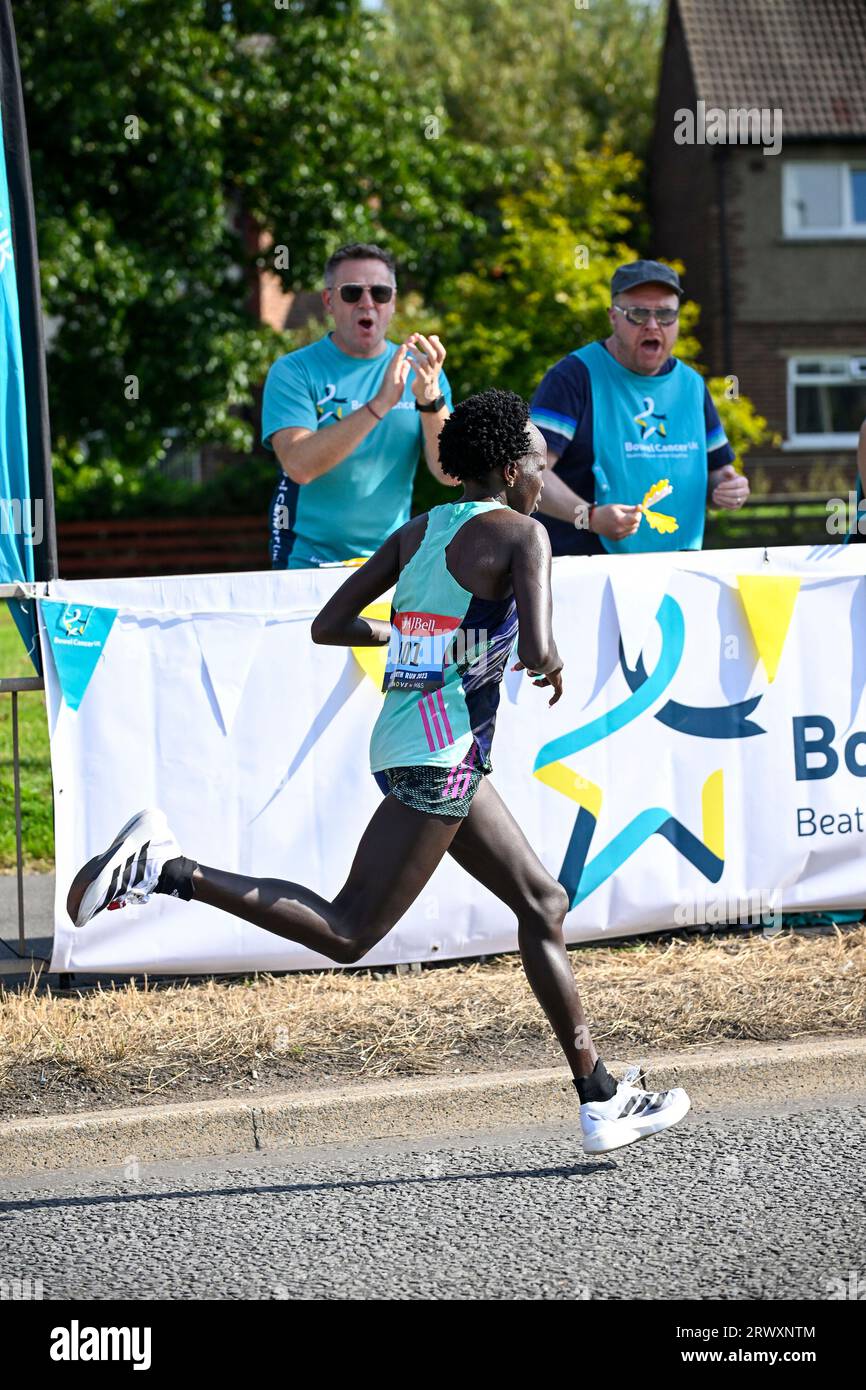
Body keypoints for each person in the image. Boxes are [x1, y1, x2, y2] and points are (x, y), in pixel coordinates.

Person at [66, 390, 690, 1156]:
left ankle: (597, 1095)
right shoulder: (525, 537)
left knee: (543, 900)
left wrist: (408, 635)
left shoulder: (420, 530)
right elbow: (536, 650)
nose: (543, 473)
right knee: (349, 931)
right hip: (441, 758)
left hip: (412, 745)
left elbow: (331, 626)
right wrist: (549, 661)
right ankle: (167, 870)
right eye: (537, 459)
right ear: (507, 468)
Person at [530, 259, 750, 555]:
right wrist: (590, 517)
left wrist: (728, 488)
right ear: (613, 317)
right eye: (637, 314)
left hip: (679, 570)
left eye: (666, 315)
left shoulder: (692, 385)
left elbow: (718, 472)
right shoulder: (573, 377)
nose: (652, 325)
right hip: (590, 571)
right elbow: (529, 472)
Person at [262, 242, 453, 569]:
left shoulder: (422, 372)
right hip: (307, 559)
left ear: (392, 302)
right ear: (329, 301)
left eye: (380, 293)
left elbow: (449, 473)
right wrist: (379, 405)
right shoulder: (294, 370)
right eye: (352, 293)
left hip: (388, 563)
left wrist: (430, 401)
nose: (367, 303)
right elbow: (298, 465)